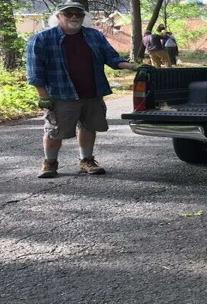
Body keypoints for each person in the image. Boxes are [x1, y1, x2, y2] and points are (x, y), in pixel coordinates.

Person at [26, 1, 138, 178]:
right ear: (58, 16)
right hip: (61, 94)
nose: (74, 17)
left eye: (78, 14)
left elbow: (112, 58)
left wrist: (133, 66)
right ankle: (50, 163)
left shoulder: (94, 35)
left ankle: (86, 160)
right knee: (54, 132)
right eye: (68, 13)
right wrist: (43, 96)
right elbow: (35, 71)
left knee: (88, 127)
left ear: (84, 17)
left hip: (92, 92)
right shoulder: (42, 39)